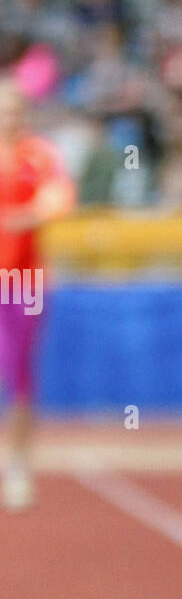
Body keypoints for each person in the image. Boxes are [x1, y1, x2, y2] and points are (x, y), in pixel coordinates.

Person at [0, 78, 76, 510]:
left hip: (24, 281)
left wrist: (24, 215)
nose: (9, 118)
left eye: (15, 109)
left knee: (19, 372)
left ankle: (18, 463)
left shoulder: (37, 153)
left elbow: (60, 196)